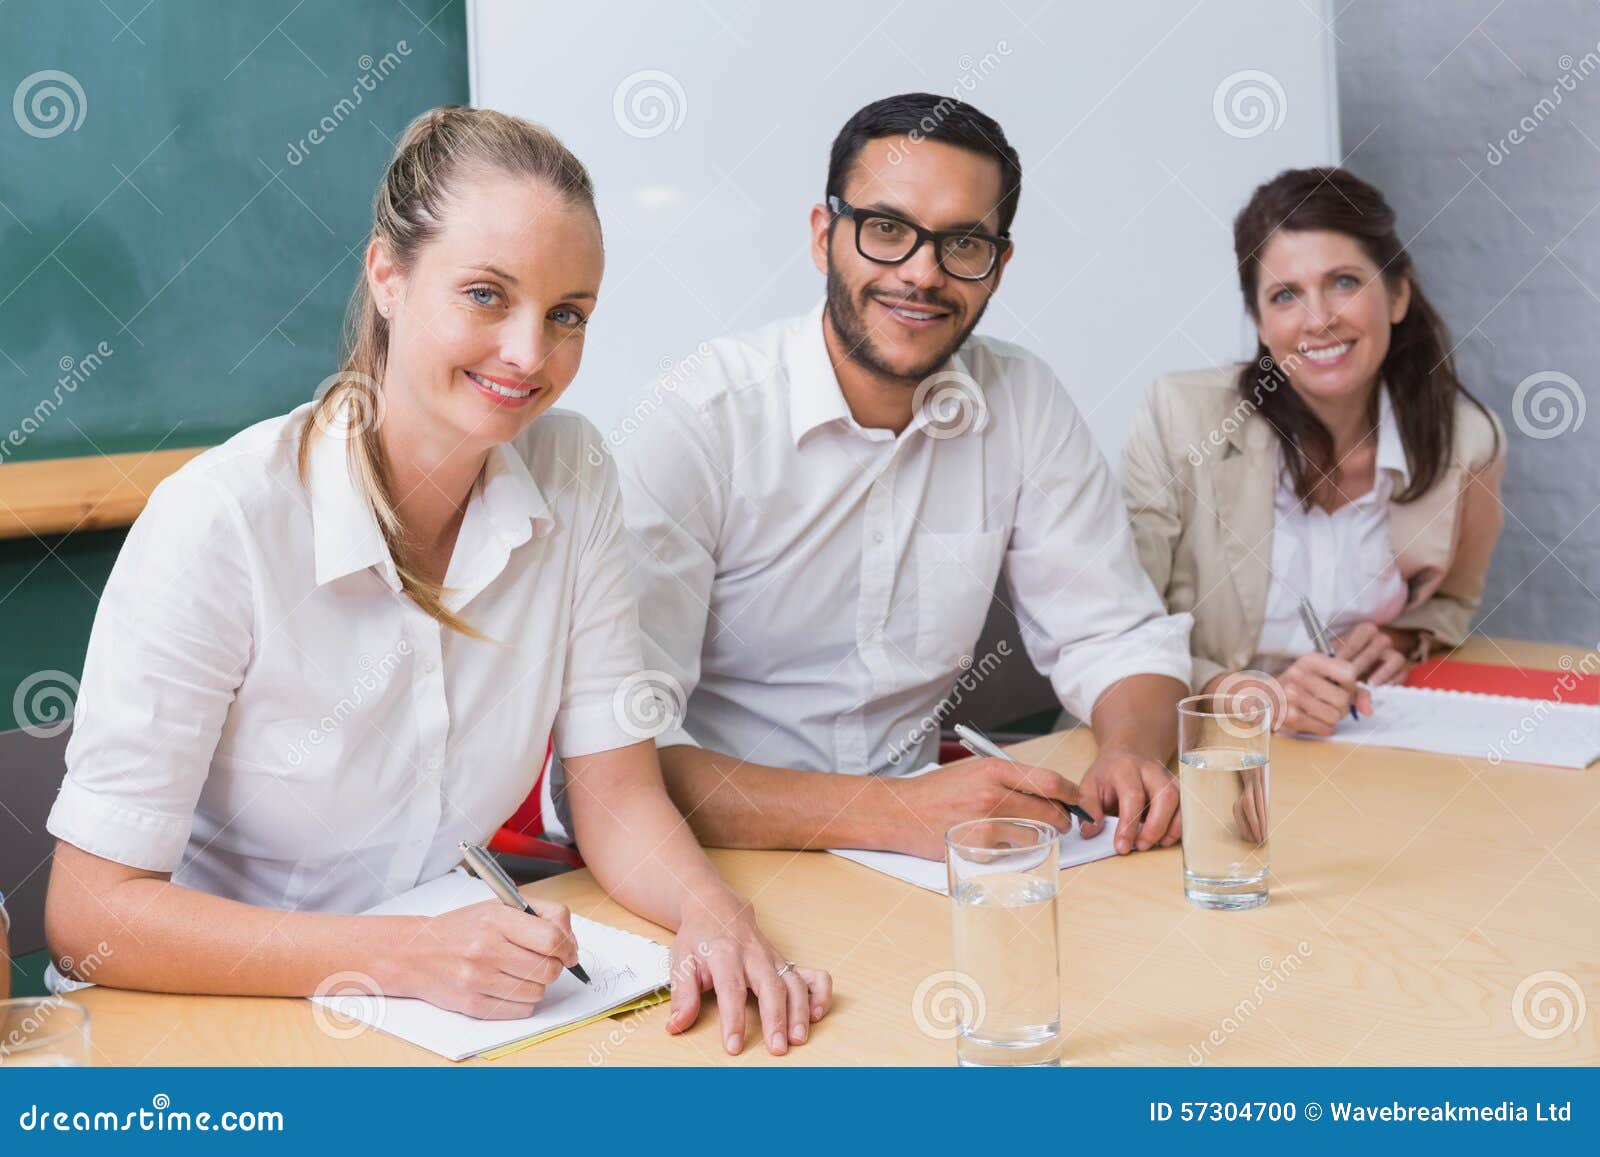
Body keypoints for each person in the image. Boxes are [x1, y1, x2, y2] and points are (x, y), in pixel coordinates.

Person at [43, 106, 829, 1058]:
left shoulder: (572, 469)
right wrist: (406, 956)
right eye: (487, 295)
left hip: (427, 1027)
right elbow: (92, 917)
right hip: (209, 1034)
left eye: (567, 314)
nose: (530, 356)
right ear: (389, 274)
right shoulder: (223, 521)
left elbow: (618, 798)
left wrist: (716, 909)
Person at [612, 94, 1194, 860]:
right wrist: (891, 813)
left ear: (999, 266)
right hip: (714, 860)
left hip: (919, 859)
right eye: (886, 229)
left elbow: (1115, 636)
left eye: (962, 243)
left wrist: (1130, 750)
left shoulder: (1024, 403)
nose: (922, 273)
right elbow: (612, 764)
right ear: (825, 237)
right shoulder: (700, 417)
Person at [1121, 167, 1505, 736]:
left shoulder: (1468, 440)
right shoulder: (1180, 417)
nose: (1319, 319)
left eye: (1345, 282)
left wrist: (1400, 638)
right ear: (1259, 322)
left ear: (1397, 294)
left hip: (1364, 742)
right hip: (1198, 745)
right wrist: (1244, 694)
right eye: (1285, 295)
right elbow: (1121, 628)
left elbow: (1451, 600)